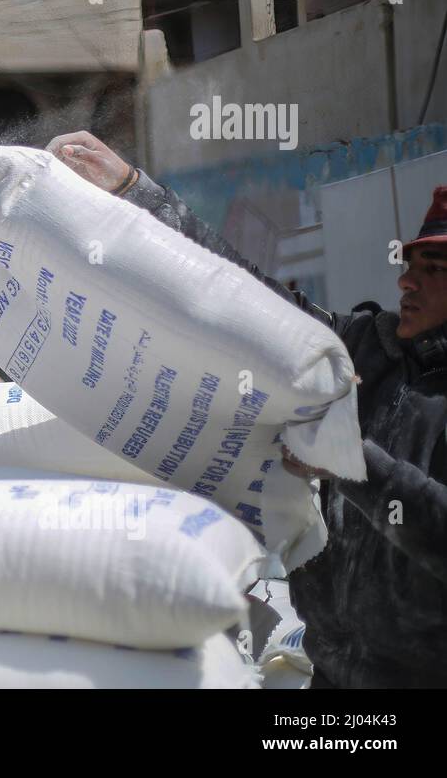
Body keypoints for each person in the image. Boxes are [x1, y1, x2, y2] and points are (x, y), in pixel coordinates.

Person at [47, 130, 447, 688]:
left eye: (435, 270)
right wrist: (136, 193)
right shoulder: (361, 348)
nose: (406, 279)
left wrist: (353, 462)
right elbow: (244, 293)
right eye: (411, 263)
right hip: (331, 681)